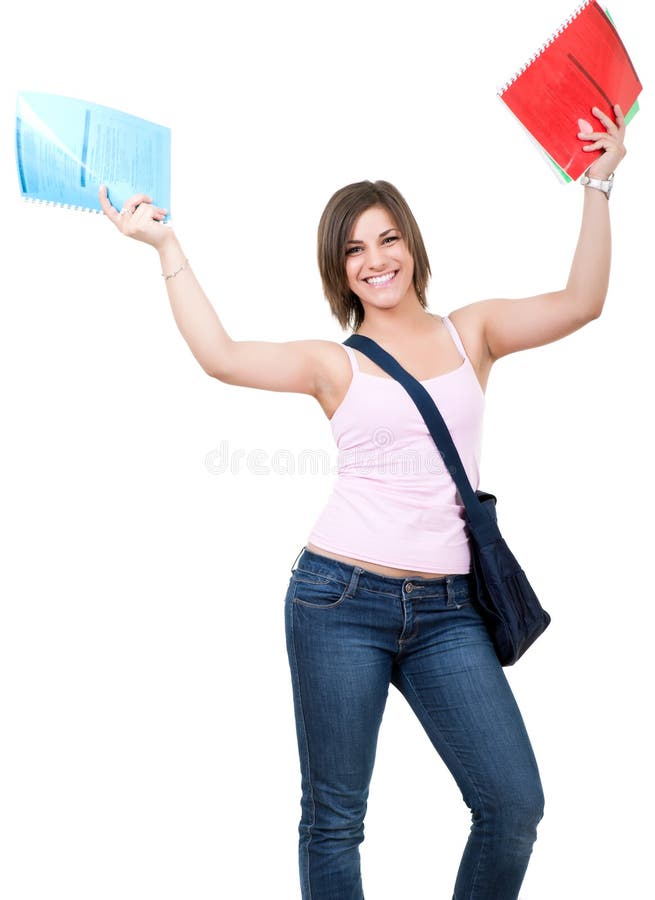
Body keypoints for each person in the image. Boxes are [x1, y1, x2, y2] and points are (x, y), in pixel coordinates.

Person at [98, 102, 627, 899]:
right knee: (336, 820)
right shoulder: (331, 363)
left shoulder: (470, 333)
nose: (375, 260)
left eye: (386, 239)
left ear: (411, 244)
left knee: (514, 803)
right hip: (339, 600)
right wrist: (166, 245)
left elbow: (583, 301)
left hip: (451, 611)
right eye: (353, 250)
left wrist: (598, 183)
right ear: (337, 269)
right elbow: (222, 356)